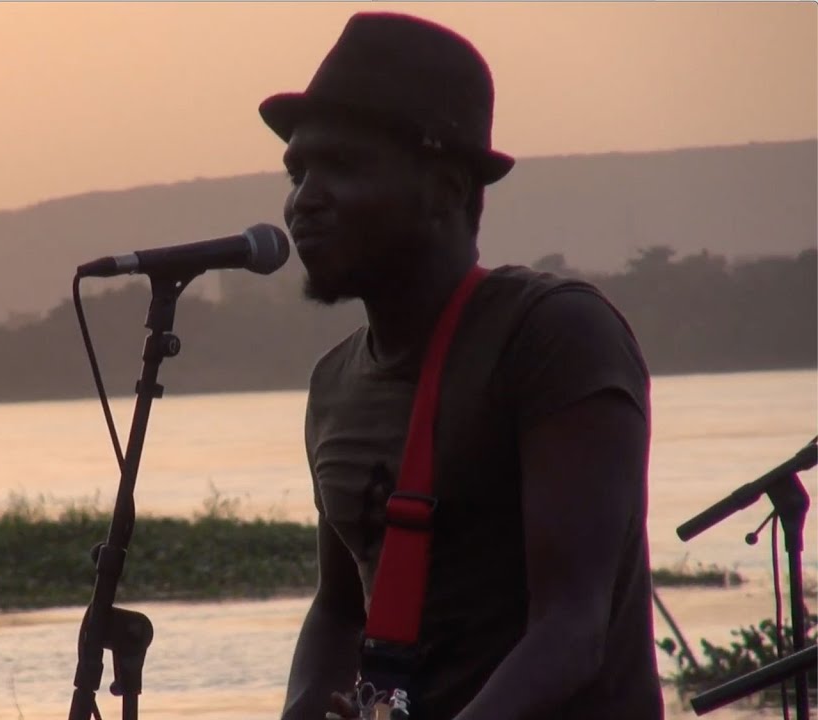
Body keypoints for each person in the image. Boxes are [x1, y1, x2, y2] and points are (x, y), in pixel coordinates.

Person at [257, 12, 665, 720]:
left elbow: (571, 632)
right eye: (297, 172)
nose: (303, 200)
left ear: (446, 187)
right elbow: (339, 609)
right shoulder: (334, 383)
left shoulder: (554, 335)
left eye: (342, 166)